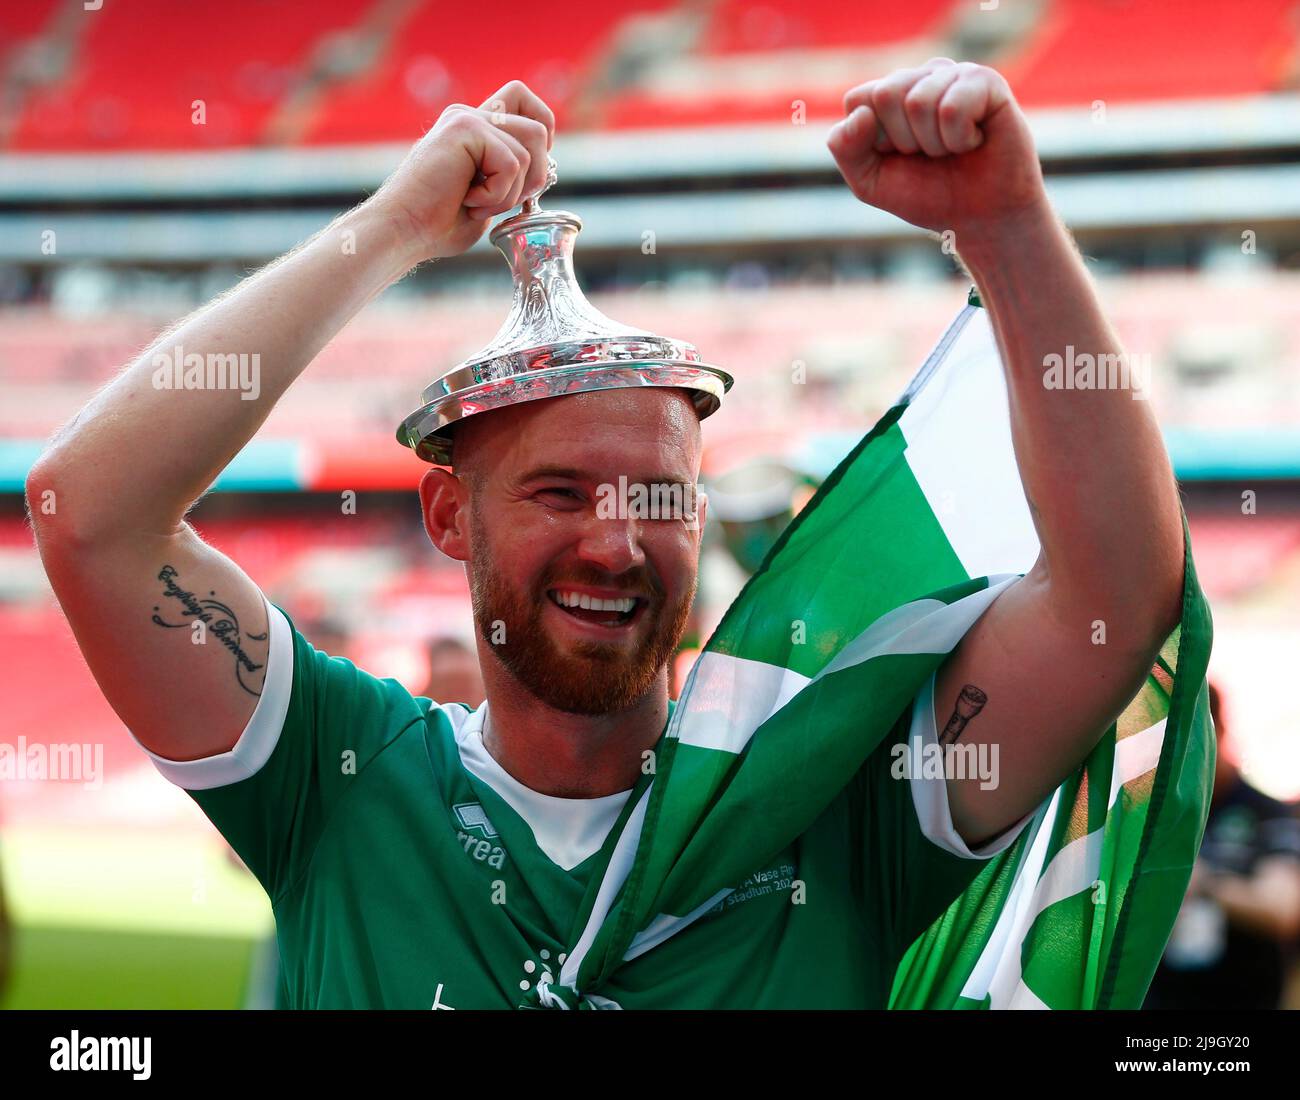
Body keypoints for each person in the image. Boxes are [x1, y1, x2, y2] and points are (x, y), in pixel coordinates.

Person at [26, 63, 1186, 1008]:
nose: (617, 543)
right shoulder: (339, 779)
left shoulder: (824, 807)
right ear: (445, 515)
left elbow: (1115, 595)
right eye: (560, 492)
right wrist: (390, 229)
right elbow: (89, 513)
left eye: (660, 495)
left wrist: (1007, 224)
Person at [1145, 682, 1300, 1009]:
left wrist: (1204, 884)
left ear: (1215, 732)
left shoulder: (1266, 812)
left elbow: (1282, 908)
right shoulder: (1153, 812)